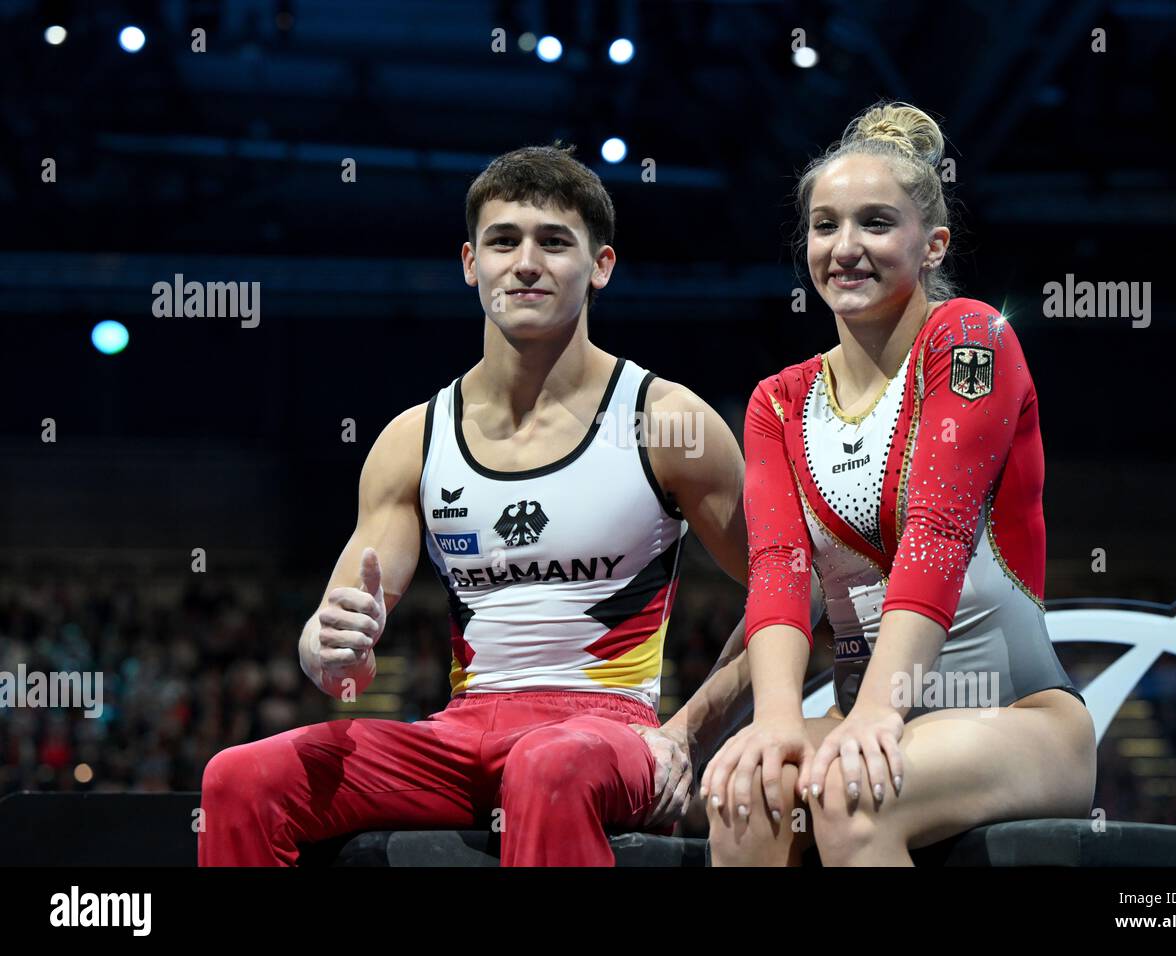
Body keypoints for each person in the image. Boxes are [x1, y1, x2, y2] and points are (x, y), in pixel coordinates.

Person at [198, 144, 809, 866]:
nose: (526, 263)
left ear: (601, 265)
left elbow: (795, 594)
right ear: (469, 263)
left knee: (546, 765)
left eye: (554, 242)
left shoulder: (665, 421)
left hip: (604, 734)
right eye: (503, 241)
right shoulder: (414, 439)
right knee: (238, 778)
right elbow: (336, 657)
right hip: (462, 733)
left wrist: (685, 732)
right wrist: (323, 647)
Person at [701, 101, 1097, 866]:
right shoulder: (778, 402)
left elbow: (940, 533)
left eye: (876, 224)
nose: (845, 248)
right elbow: (779, 570)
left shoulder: (972, 339)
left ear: (932, 243)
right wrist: (779, 720)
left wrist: (880, 707)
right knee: (746, 797)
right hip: (872, 720)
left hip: (1016, 718)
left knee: (850, 794)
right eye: (825, 227)